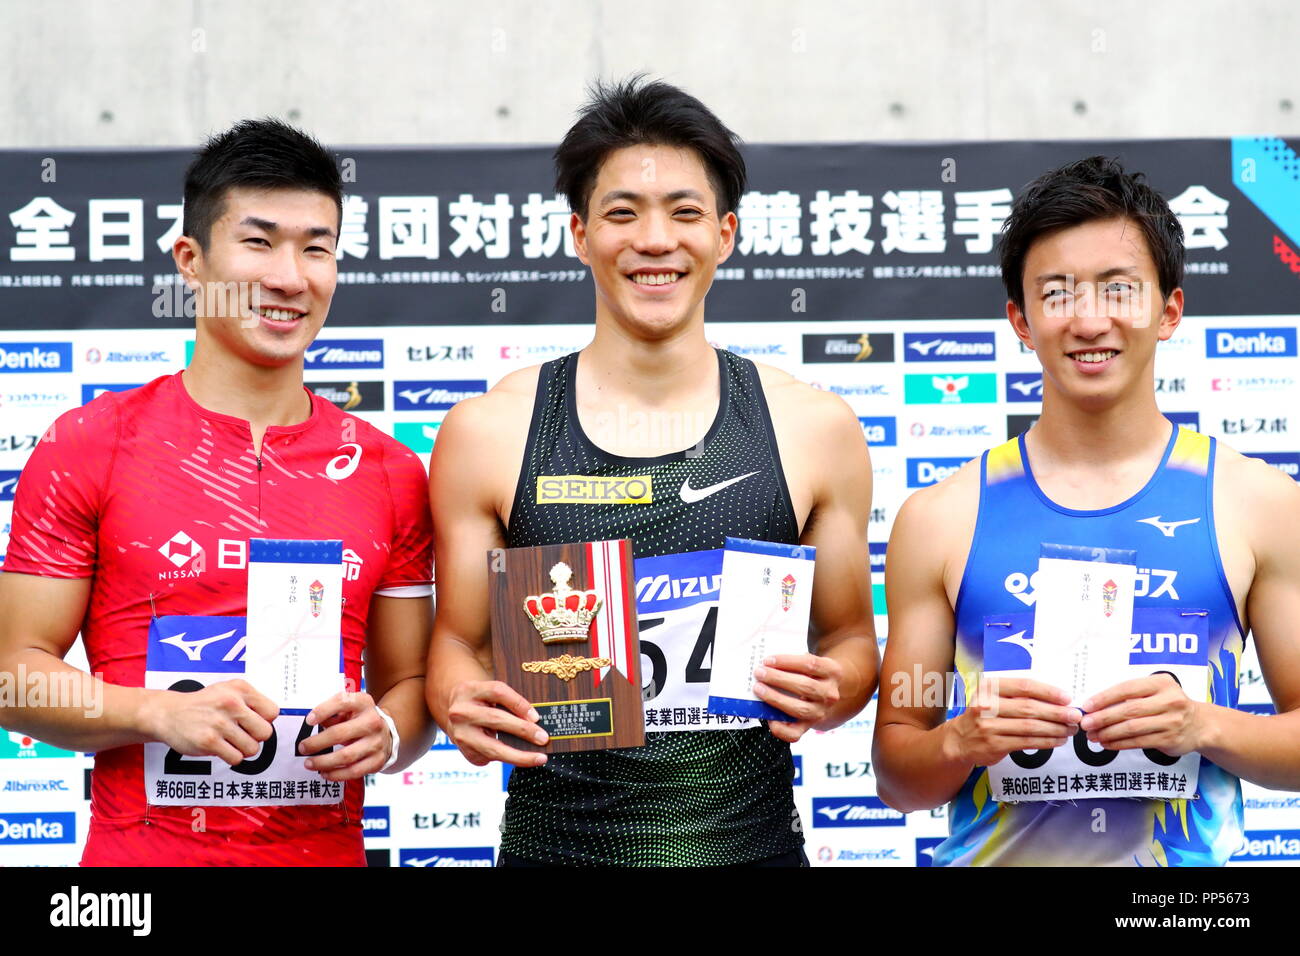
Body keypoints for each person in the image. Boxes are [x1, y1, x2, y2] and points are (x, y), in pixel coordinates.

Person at [426, 77, 879, 866]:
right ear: (579, 233)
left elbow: (849, 638)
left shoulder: (814, 428)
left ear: (726, 233)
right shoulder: (489, 430)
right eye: (623, 213)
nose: (655, 240)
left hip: (752, 850)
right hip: (554, 851)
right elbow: (455, 644)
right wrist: (458, 700)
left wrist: (833, 686)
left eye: (685, 211)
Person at [0, 119, 436, 866]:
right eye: (259, 242)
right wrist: (156, 712)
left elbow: (413, 685)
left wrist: (389, 734)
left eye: (317, 247)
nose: (290, 278)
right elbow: (14, 674)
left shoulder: (389, 470)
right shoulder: (91, 443)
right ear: (191, 261)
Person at [874, 156, 1300, 866]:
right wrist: (958, 741)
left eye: (1119, 289)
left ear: (1169, 310)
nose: (1089, 319)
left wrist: (1203, 726)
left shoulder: (1258, 503)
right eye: (1058, 293)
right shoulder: (939, 519)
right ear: (1021, 317)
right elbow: (895, 774)